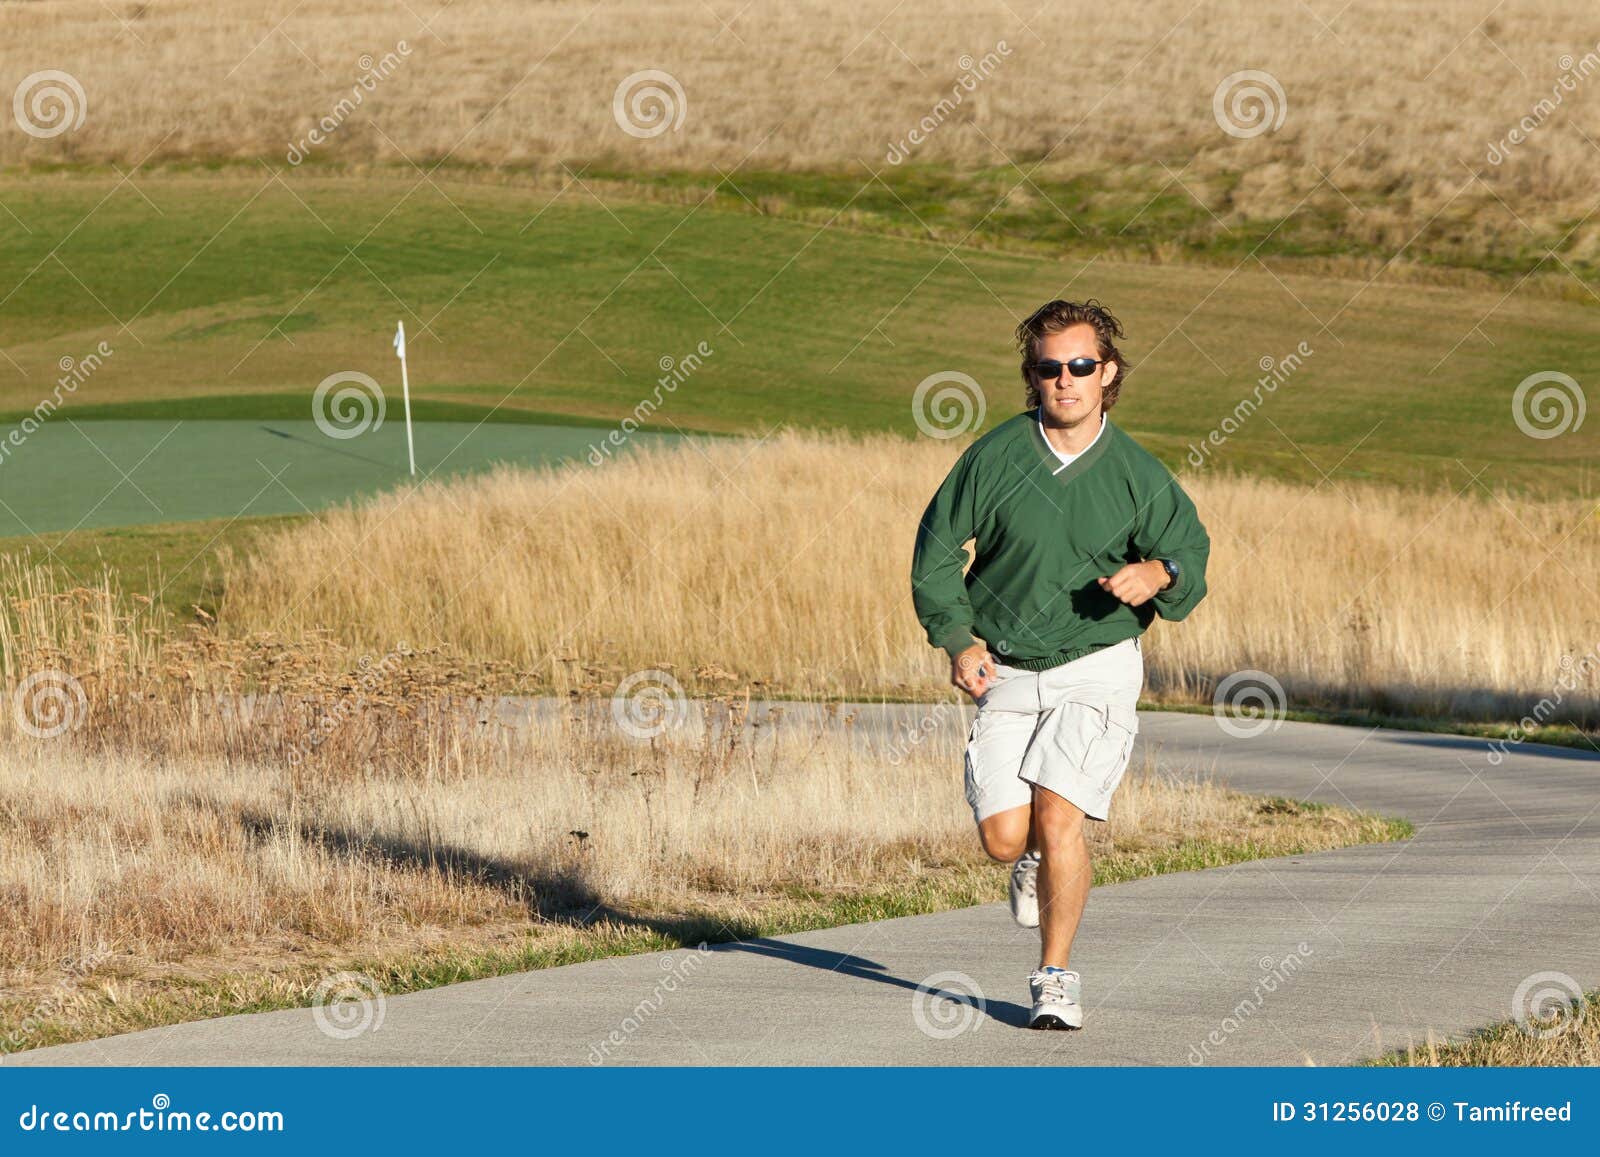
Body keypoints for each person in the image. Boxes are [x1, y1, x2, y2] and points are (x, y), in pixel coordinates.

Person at [910, 299, 1210, 1030]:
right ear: (1032, 376)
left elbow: (1189, 552)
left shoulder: (1137, 472)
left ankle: (1054, 977)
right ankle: (1033, 858)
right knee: (1005, 838)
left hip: (1097, 662)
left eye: (1082, 366)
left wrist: (1159, 573)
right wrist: (958, 639)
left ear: (1107, 373)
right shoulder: (997, 455)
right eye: (1050, 368)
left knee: (1060, 812)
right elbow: (938, 550)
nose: (1066, 380)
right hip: (1006, 668)